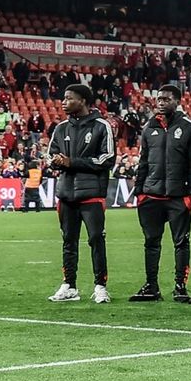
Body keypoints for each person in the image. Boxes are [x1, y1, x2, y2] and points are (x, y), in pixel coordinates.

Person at [129, 84, 191, 303]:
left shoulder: (190, 128)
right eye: (159, 99)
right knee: (151, 242)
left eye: (166, 99)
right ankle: (151, 286)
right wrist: (139, 192)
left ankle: (180, 286)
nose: (161, 103)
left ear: (177, 101)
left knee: (181, 243)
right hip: (151, 195)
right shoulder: (149, 128)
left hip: (178, 196)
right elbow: (143, 162)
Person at [46, 84, 114, 304]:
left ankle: (100, 286)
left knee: (96, 239)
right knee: (69, 241)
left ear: (83, 101)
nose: (63, 102)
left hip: (92, 193)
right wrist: (55, 161)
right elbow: (50, 155)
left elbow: (108, 158)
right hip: (66, 194)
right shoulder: (61, 128)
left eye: (69, 98)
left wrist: (72, 162)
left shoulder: (102, 126)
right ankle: (69, 286)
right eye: (63, 98)